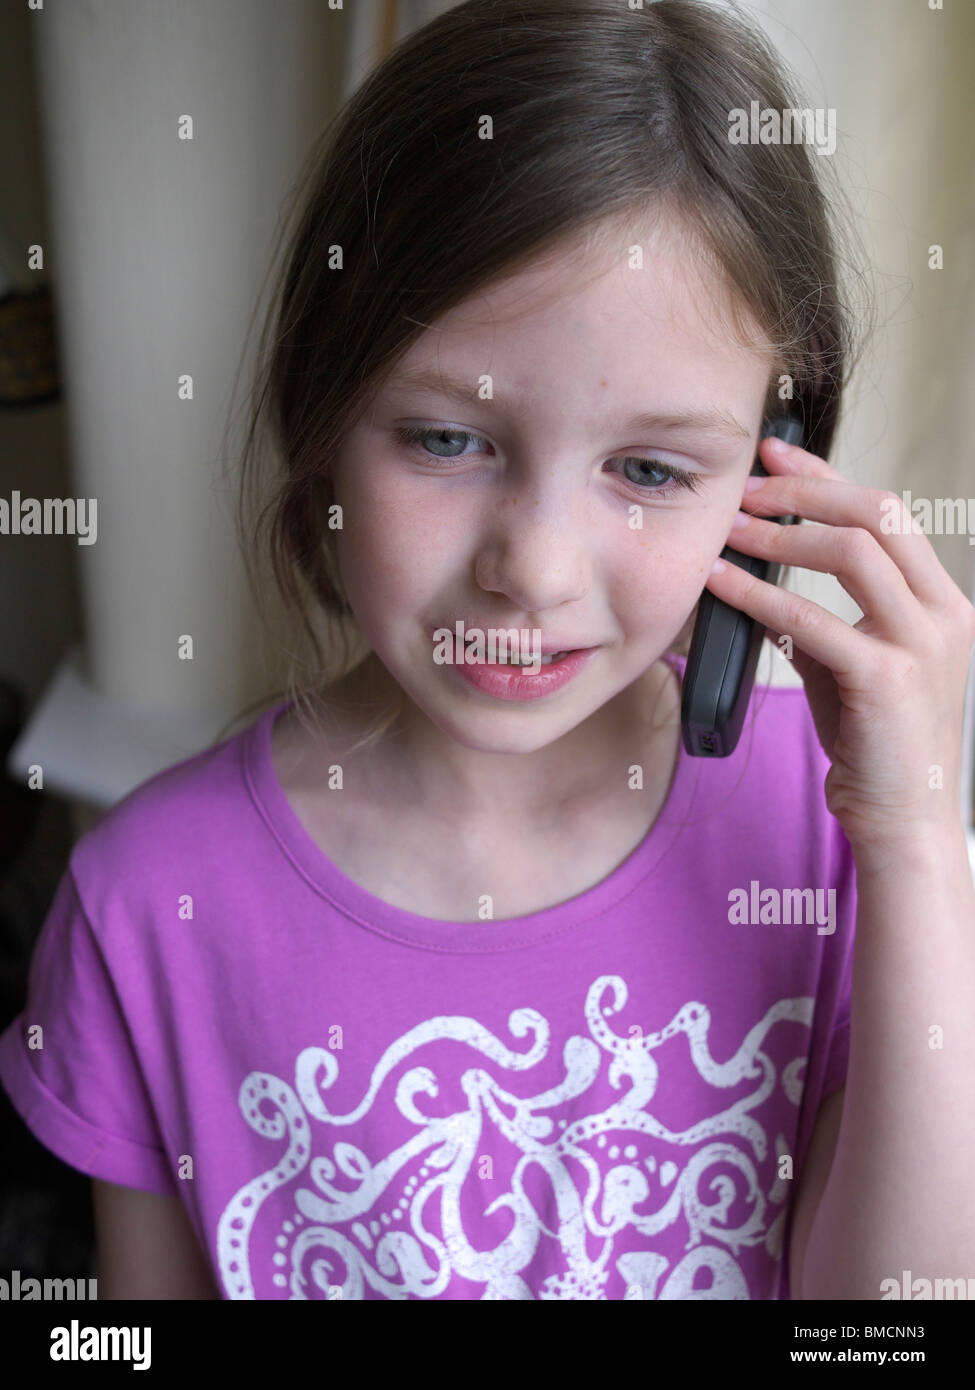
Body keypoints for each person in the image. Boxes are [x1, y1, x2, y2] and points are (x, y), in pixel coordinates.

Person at [3, 0, 974, 1302]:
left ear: (768, 475)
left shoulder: (836, 835)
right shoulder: (146, 908)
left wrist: (917, 839)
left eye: (647, 466)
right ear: (325, 407)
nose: (536, 565)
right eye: (448, 440)